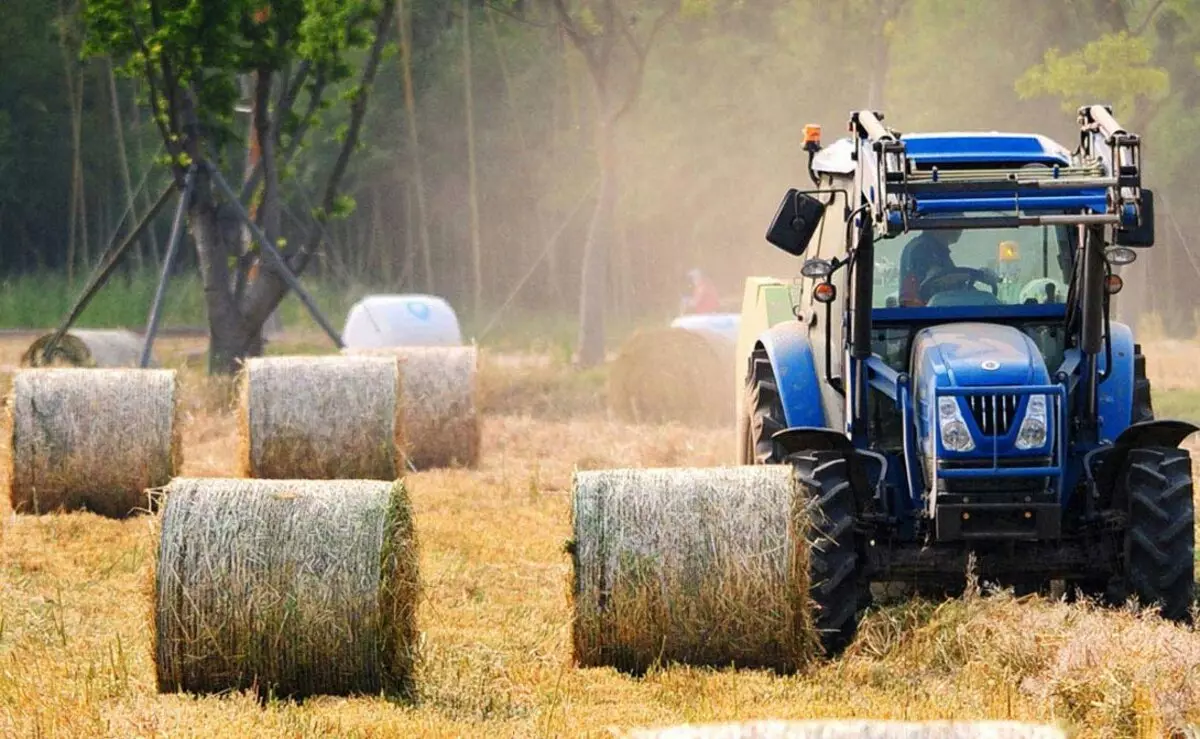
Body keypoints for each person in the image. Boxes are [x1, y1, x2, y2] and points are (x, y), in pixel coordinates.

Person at [898, 229, 962, 306]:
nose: (960, 229)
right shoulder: (922, 248)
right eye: (952, 222)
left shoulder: (938, 250)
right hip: (926, 312)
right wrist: (959, 277)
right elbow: (933, 279)